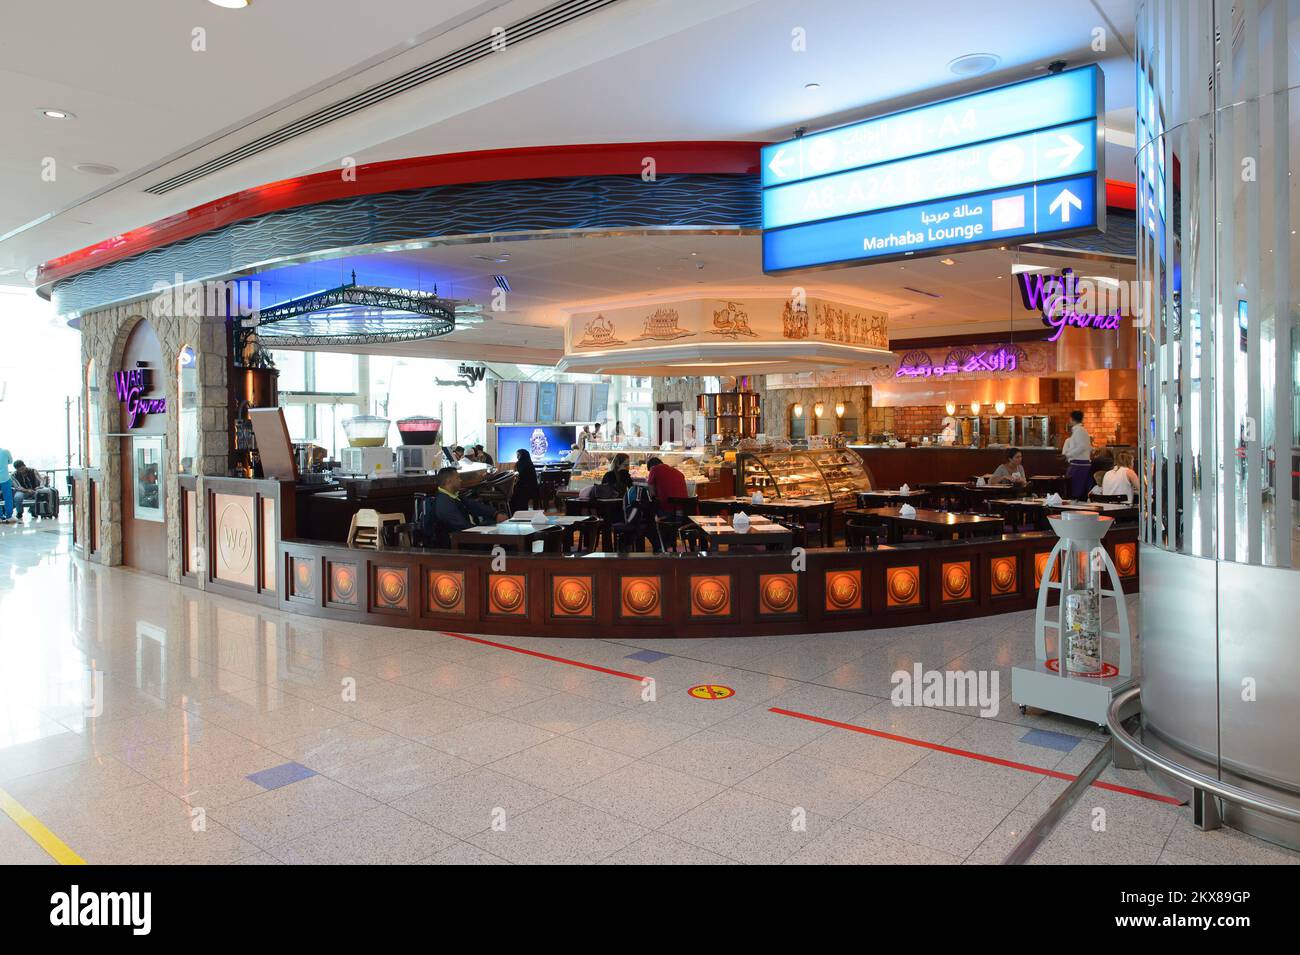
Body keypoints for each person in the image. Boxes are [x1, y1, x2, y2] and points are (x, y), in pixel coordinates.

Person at [429, 466, 498, 544]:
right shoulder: (444, 504)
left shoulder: (453, 495)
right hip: (459, 542)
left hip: (467, 533)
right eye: (458, 478)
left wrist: (495, 513)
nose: (460, 480)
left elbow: (473, 506)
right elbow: (463, 527)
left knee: (494, 524)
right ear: (449, 481)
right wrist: (487, 531)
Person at [1061, 410, 1093, 499]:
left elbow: (1081, 447)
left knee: (1076, 490)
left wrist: (1067, 455)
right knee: (1074, 488)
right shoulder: (1080, 431)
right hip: (1079, 464)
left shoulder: (1079, 431)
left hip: (1079, 465)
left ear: (1072, 419)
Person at [510, 448, 540, 513]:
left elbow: (520, 475)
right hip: (525, 487)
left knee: (513, 495)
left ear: (523, 455)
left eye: (518, 455)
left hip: (526, 488)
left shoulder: (524, 464)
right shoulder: (525, 462)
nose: (517, 457)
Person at [0, 445, 14, 524]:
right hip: (5, 478)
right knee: (8, 498)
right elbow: (10, 461)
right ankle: (9, 516)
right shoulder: (6, 451)